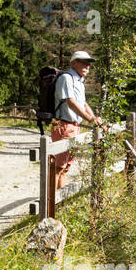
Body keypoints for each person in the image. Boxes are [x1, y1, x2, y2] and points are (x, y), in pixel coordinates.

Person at [51, 51, 103, 189]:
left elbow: (84, 104)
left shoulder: (79, 82)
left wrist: (95, 119)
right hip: (63, 125)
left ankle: (59, 202)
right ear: (74, 63)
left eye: (89, 64)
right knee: (58, 167)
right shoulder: (67, 78)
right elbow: (71, 103)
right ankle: (50, 205)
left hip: (74, 126)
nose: (87, 66)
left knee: (66, 166)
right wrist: (91, 119)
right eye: (84, 63)